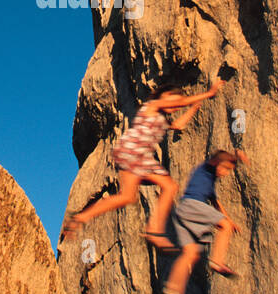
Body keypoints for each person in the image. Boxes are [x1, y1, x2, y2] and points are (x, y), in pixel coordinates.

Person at [61, 77, 224, 251]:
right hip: (134, 153)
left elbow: (177, 125)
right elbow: (181, 101)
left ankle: (81, 218)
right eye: (174, 102)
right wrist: (209, 93)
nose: (176, 107)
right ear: (165, 96)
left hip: (132, 155)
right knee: (169, 186)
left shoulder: (161, 118)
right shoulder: (151, 106)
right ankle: (154, 230)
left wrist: (193, 109)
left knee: (128, 197)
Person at [162, 149, 249, 294]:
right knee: (225, 227)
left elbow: (215, 202)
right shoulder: (206, 168)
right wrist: (237, 156)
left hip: (182, 212)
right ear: (216, 163)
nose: (225, 173)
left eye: (228, 171)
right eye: (224, 168)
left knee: (191, 253)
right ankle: (217, 261)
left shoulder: (209, 181)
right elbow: (219, 157)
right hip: (192, 206)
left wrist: (228, 220)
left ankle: (174, 290)